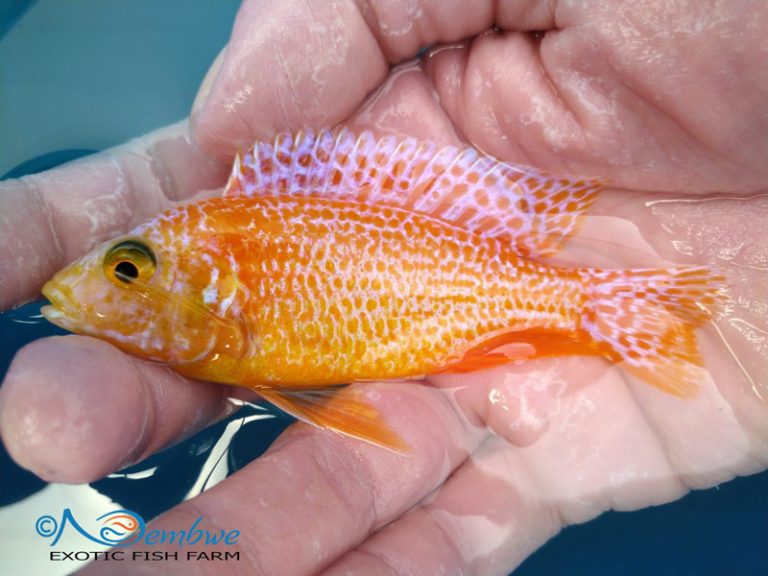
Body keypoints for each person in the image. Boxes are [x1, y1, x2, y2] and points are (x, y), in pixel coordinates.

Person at [1, 1, 767, 573]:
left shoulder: (231, 262)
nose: (94, 285)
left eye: (128, 268)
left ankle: (630, 314)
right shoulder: (225, 269)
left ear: (213, 281)